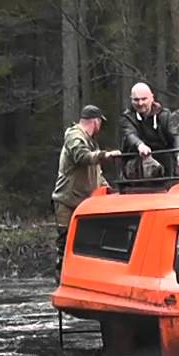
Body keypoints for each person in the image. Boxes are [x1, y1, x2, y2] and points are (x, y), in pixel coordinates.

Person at [52, 105, 121, 278]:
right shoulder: (75, 136)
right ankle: (62, 281)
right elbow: (81, 156)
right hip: (67, 202)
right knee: (65, 245)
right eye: (100, 123)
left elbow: (97, 175)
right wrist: (104, 155)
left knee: (86, 247)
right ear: (95, 121)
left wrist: (111, 192)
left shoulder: (91, 142)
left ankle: (82, 280)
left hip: (85, 204)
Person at [119, 82, 179, 179]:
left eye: (144, 99)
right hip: (137, 162)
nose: (140, 103)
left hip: (165, 160)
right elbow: (130, 134)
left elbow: (175, 135)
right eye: (136, 100)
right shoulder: (127, 117)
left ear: (152, 98)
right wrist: (140, 145)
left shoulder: (165, 115)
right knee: (144, 164)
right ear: (131, 100)